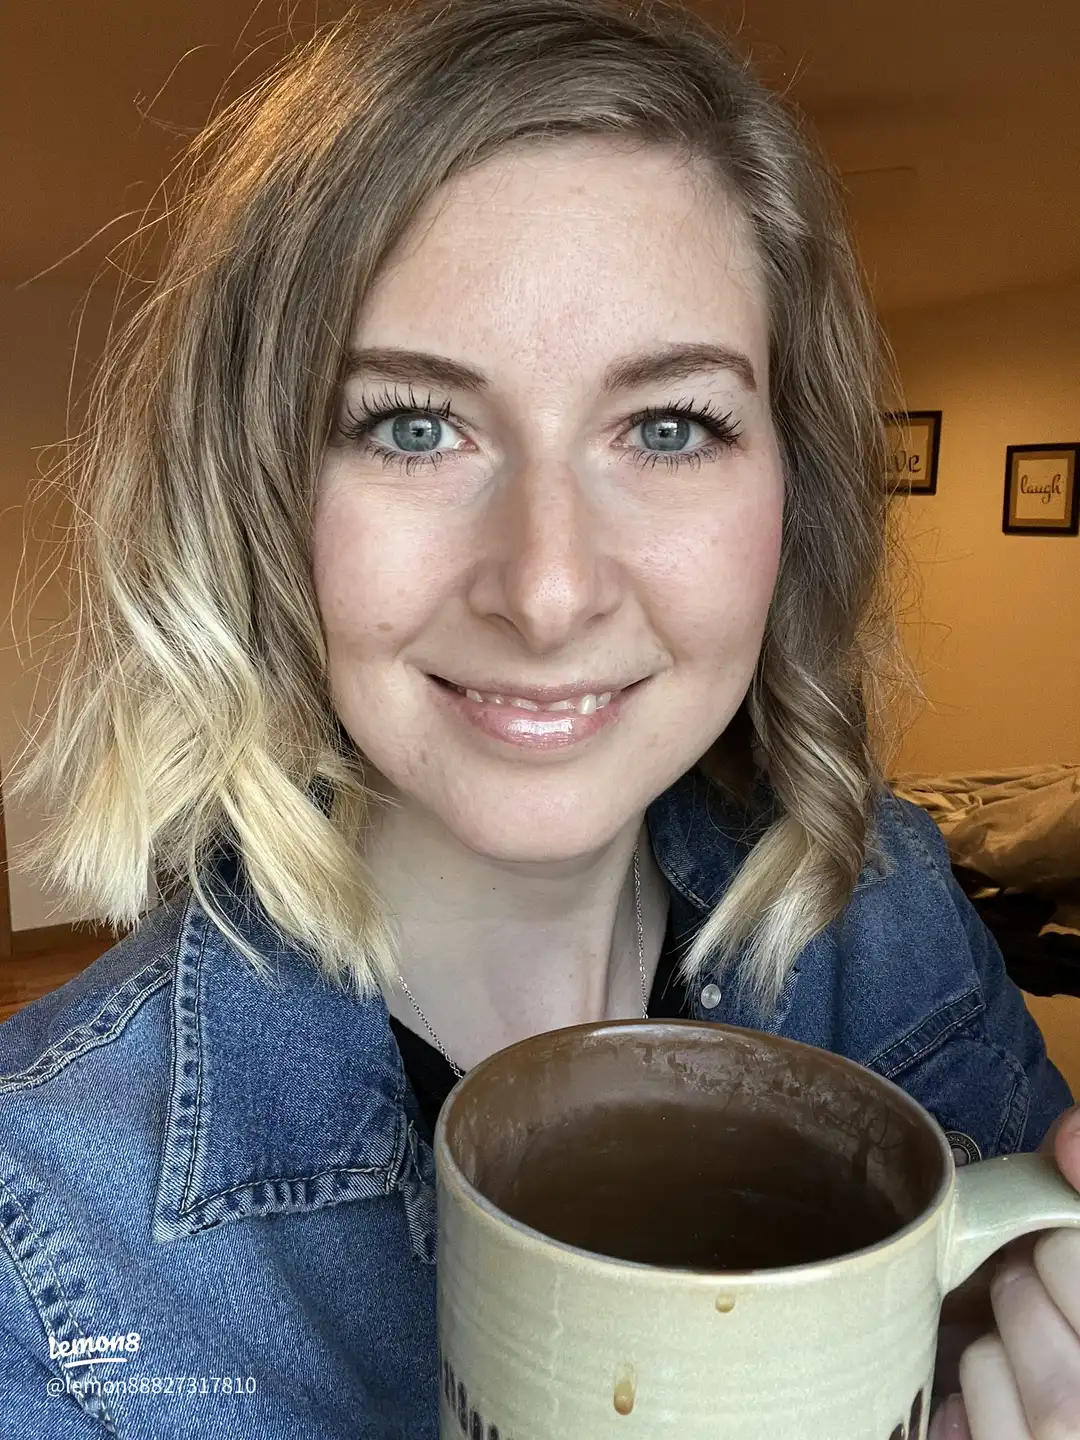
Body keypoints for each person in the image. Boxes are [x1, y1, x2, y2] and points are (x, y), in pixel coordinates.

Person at [2, 0, 1078, 1434]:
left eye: (670, 426)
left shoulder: (883, 909)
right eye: (413, 425)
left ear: (792, 494)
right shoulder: (41, 1224)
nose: (551, 588)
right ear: (258, 496)